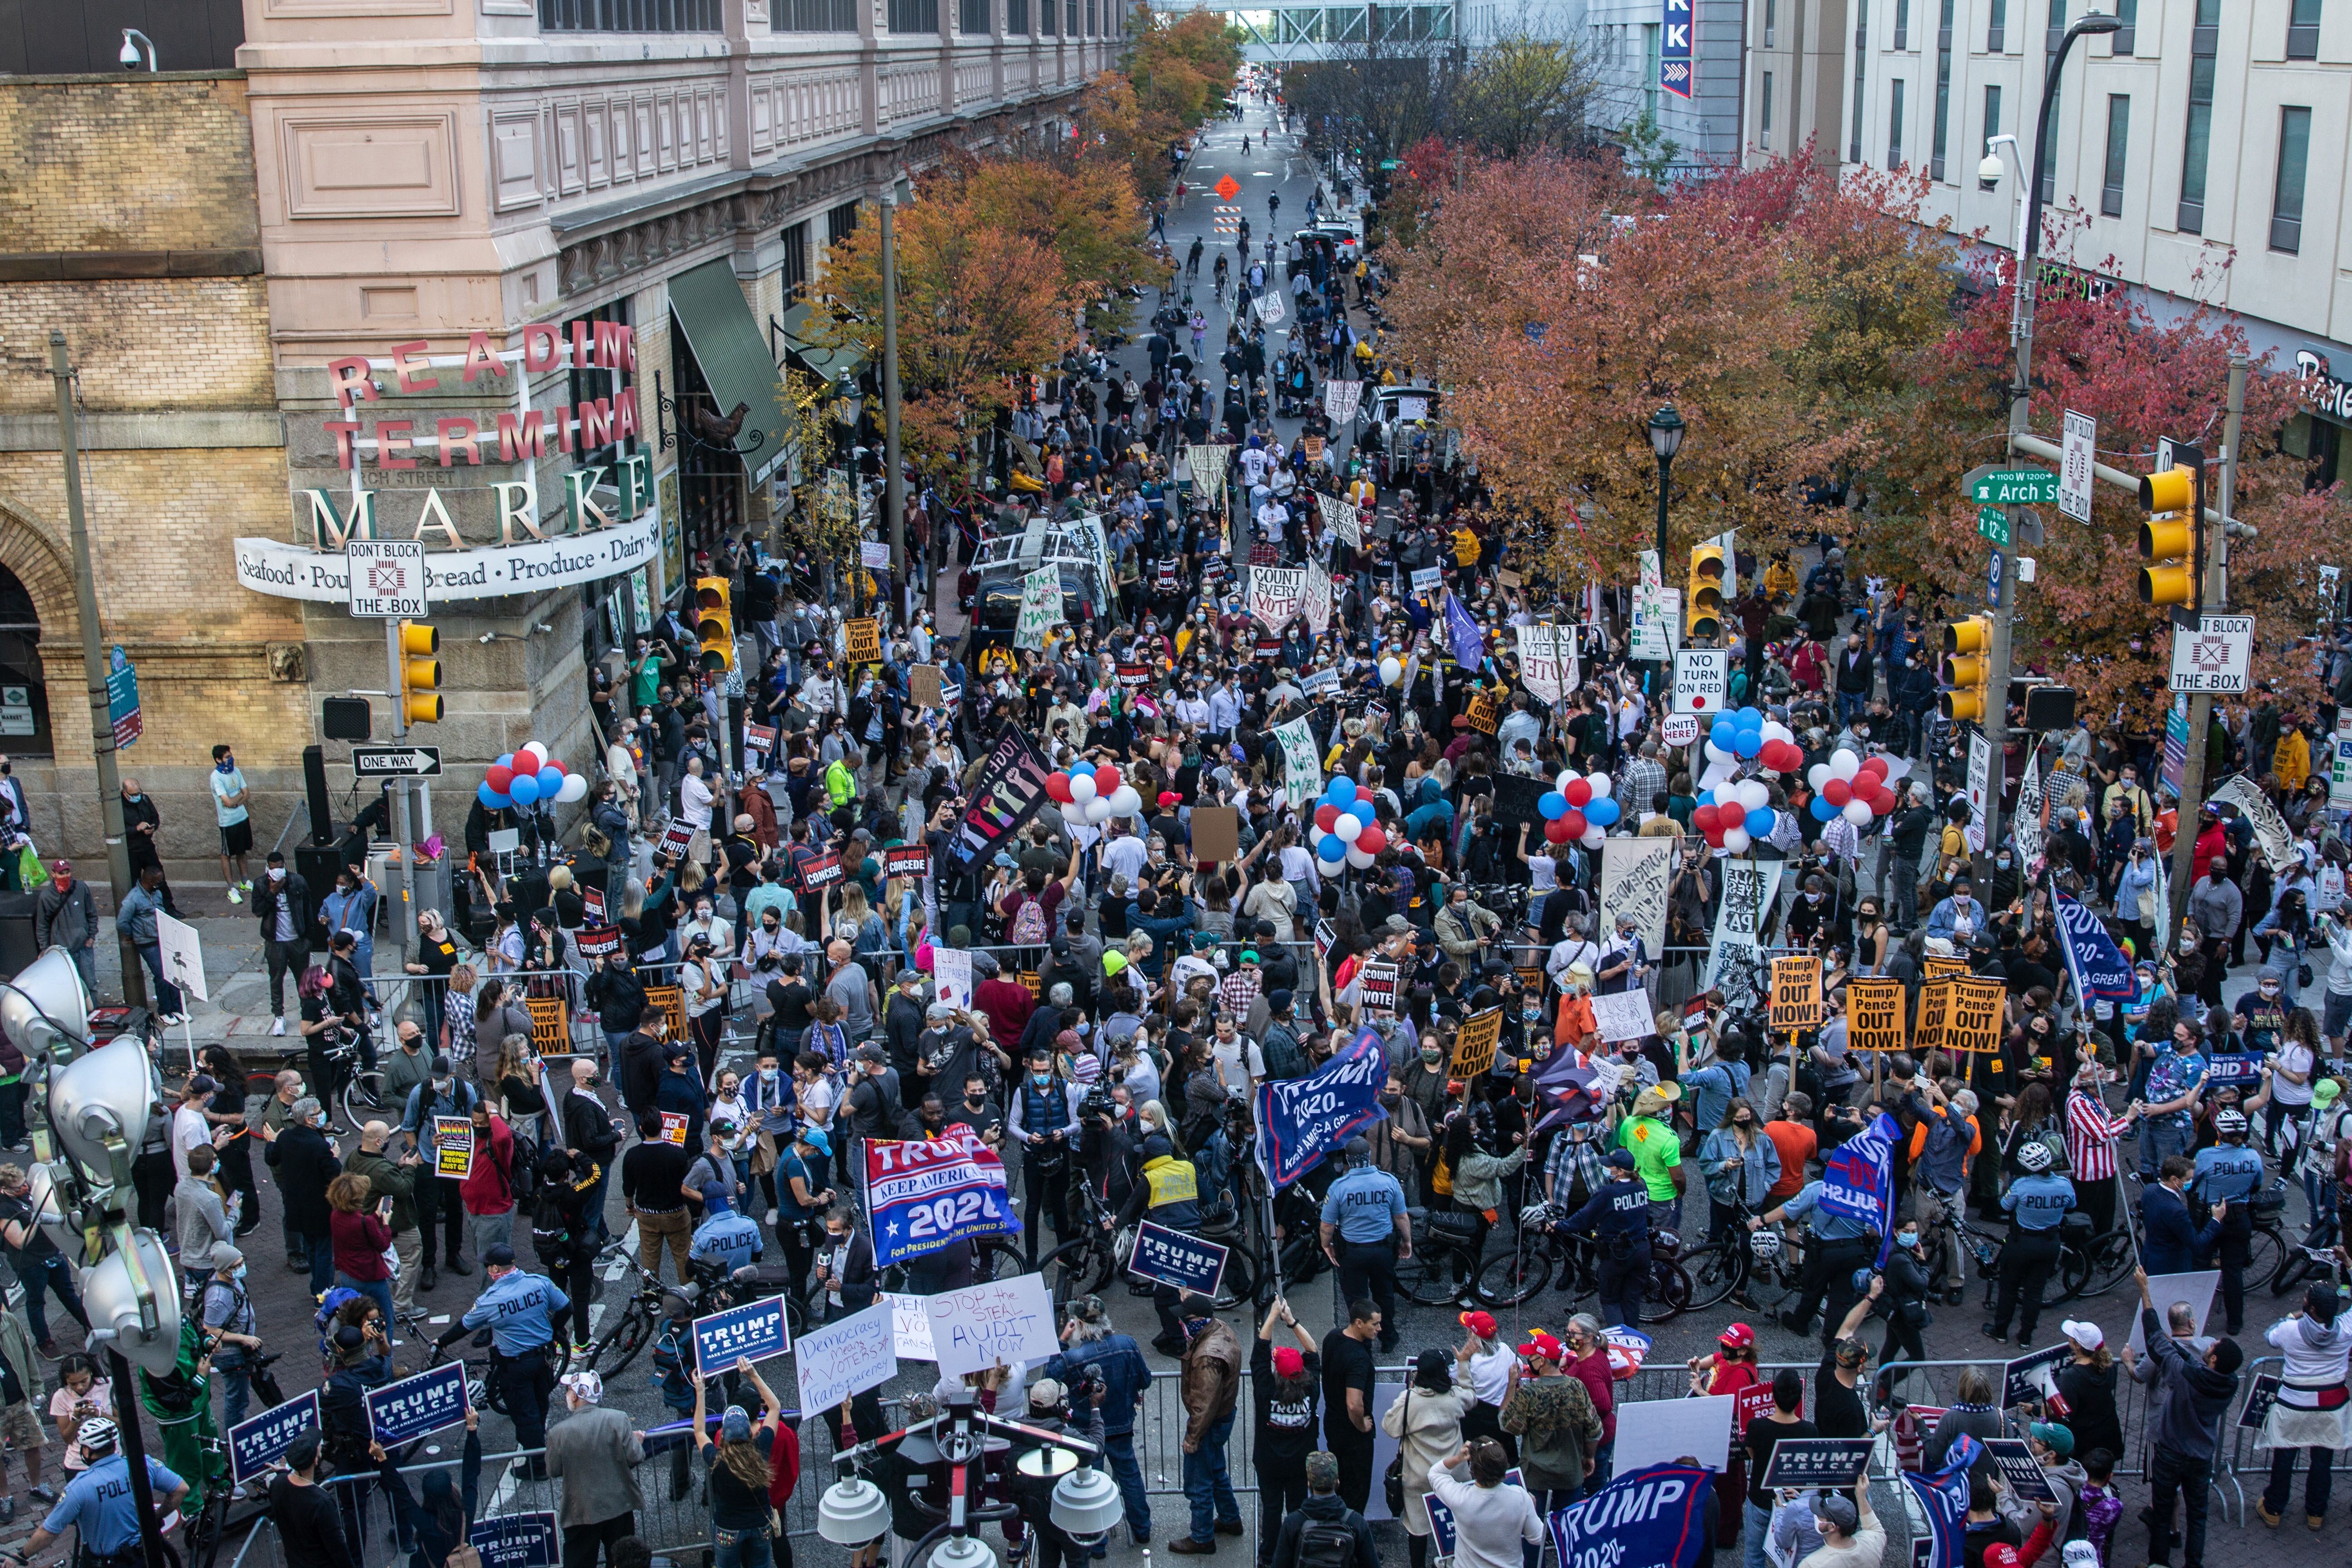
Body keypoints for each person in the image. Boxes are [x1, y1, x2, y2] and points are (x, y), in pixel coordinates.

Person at [2122, 1267, 2241, 1568]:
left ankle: (2159, 1563)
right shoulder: (2229, 1383)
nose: (2208, 1344)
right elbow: (2189, 1358)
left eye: (2212, 1347)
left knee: (2162, 1512)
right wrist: (2177, 1345)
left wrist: (2145, 1292)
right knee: (2197, 1515)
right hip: (2201, 1456)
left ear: (2212, 1359)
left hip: (2171, 1451)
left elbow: (2155, 1342)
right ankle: (2193, 1564)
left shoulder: (2185, 1376)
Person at [445, 1242, 570, 1476]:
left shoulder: (491, 1299)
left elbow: (464, 1327)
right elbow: (566, 1308)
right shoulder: (538, 1283)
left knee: (525, 1415)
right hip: (544, 1358)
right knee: (540, 1403)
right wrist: (552, 1330)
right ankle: (536, 1443)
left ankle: (538, 1466)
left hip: (515, 1365)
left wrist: (440, 1342)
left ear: (494, 1270)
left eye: (488, 1267)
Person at [1042, 1294, 1152, 1548]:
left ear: (1080, 1325)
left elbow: (1049, 1380)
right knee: (1130, 1476)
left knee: (1091, 1484)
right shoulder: (1128, 1344)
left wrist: (1061, 1342)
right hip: (1122, 1425)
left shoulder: (1073, 1358)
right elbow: (1145, 1380)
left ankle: (1096, 1543)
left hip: (1087, 1431)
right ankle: (1143, 1531)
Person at [15, 1416, 187, 1567]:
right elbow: (181, 1489)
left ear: (86, 1451)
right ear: (114, 1444)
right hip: (148, 1554)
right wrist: (156, 1516)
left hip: (108, 1561)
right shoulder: (144, 1464)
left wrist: (21, 1556)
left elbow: (48, 1533)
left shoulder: (79, 1488)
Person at [2256, 1282, 2352, 1531]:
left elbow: (2270, 1337)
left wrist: (2291, 1315)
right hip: (2332, 1406)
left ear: (2309, 1307)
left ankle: (2274, 1509)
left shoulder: (2291, 1329)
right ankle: (2316, 1514)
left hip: (2294, 1404)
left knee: (2285, 1455)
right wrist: (2349, 1263)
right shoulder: (2346, 1329)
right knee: (2323, 1460)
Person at [689, 1358, 787, 1568]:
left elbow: (698, 1430)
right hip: (761, 1526)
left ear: (723, 1436)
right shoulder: (761, 1448)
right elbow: (775, 1407)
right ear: (752, 1432)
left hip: (728, 1530)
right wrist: (753, 1375)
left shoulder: (717, 1459)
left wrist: (700, 1392)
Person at [544, 1370, 646, 1568]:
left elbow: (553, 1470)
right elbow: (636, 1457)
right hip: (619, 1506)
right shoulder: (619, 1419)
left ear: (575, 1396)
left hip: (580, 1512)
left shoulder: (558, 1433)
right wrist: (638, 1443)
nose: (567, 1395)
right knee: (623, 1562)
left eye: (568, 1391)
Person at [1318, 1135, 1411, 1350]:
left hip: (1352, 1254)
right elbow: (1401, 1217)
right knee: (1385, 1293)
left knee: (1357, 1300)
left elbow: (1327, 1225)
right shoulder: (1389, 1182)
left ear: (1349, 1159)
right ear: (1369, 1157)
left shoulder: (1339, 1187)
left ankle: (1362, 1344)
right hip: (1383, 1251)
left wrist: (1326, 1245)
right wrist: (1407, 1241)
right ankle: (1388, 1337)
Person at [1249, 1299, 1321, 1568]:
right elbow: (1313, 1351)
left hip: (1268, 1462)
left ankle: (1268, 1558)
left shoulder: (1266, 1389)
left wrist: (1272, 1316)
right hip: (1301, 1463)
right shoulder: (1311, 1387)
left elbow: (1260, 1349)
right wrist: (1291, 1321)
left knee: (1271, 1509)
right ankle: (1296, 1553)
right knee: (1298, 1509)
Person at [1169, 1291, 1242, 1554]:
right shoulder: (1219, 1329)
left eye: (1186, 1319)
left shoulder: (1207, 1357)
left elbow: (1204, 1405)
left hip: (1209, 1423)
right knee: (1216, 1471)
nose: (1182, 1324)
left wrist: (1192, 1438)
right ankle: (1231, 1519)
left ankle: (1201, 1538)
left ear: (1199, 1319)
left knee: (1199, 1482)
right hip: (1222, 1417)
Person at [1985, 1137, 2076, 1346]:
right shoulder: (2064, 1185)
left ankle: (2000, 1331)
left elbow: (2005, 1207)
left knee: (2008, 1288)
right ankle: (2026, 1337)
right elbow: (2071, 1205)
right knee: (2035, 1293)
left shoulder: (2021, 1186)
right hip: (2050, 1243)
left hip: (2021, 1243)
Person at [1499, 1331, 1602, 1514]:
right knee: (1568, 1531)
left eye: (1531, 1356)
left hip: (1536, 1476)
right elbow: (1594, 1430)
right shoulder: (1577, 1387)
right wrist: (1589, 1457)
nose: (1528, 1359)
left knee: (1534, 1531)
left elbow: (1507, 1425)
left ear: (1542, 1361)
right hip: (1570, 1473)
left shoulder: (1528, 1395)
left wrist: (1511, 1385)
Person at [1383, 1349, 1468, 1568]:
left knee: (1418, 1528)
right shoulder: (1454, 1396)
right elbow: (1472, 1396)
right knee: (1455, 1523)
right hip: (1454, 1474)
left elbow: (1390, 1427)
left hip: (1419, 1478)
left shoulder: (1411, 1400)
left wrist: (1407, 1395)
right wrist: (1464, 1364)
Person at [0, 1163, 87, 1356]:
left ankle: (88, 1323)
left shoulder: (27, 1193)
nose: (25, 1189)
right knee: (36, 1301)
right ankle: (44, 1342)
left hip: (52, 1253)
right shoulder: (5, 1210)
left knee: (68, 1293)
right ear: (5, 1190)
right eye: (19, 1188)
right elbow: (20, 1242)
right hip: (31, 1263)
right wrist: (36, 1220)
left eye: (25, 1185)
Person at [2192, 1106, 2263, 1334]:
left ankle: (2194, 1317)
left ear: (2219, 1133)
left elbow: (2192, 1184)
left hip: (2211, 1216)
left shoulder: (2205, 1156)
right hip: (2239, 1217)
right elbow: (2257, 1185)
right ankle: (2235, 1323)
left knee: (2200, 1267)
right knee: (2233, 1272)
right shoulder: (2253, 1157)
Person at [1565, 1148, 1652, 1329]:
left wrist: (1558, 1226)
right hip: (1642, 1251)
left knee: (1611, 1301)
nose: (1605, 1168)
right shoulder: (1641, 1185)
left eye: (1609, 1166)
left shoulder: (1608, 1193)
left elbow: (1583, 1219)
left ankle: (1619, 1345)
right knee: (1631, 1301)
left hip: (1617, 1256)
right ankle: (1632, 1346)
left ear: (1620, 1171)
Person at [1427, 1439, 1544, 1568]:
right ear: (1504, 1467)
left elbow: (1435, 1473)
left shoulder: (1459, 1497)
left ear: (1473, 1469)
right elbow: (1537, 1538)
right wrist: (1531, 1508)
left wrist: (1458, 1458)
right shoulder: (1520, 1497)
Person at [1742, 1370, 1816, 1568]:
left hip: (1760, 1499)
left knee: (1754, 1555)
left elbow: (1752, 1454)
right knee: (1792, 1557)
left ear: (1773, 1395)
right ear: (1800, 1398)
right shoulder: (1810, 1431)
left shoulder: (1756, 1426)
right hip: (1793, 1501)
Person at [268, 1096, 340, 1294]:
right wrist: (334, 1156)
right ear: (309, 1119)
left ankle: (316, 1286)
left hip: (296, 1206)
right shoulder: (319, 1146)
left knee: (310, 1247)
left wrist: (271, 1142)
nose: (321, 1115)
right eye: (318, 1113)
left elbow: (272, 1158)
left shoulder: (285, 1138)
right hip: (319, 1207)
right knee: (325, 1251)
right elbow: (334, 1173)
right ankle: (323, 1291)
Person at [1316, 1298, 1380, 1515]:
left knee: (1340, 1484)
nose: (1379, 1329)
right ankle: (1353, 1542)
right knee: (1356, 1492)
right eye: (1375, 1324)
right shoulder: (1358, 1359)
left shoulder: (1333, 1337)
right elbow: (1354, 1403)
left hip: (1333, 1424)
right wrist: (1362, 1425)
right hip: (1353, 1436)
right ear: (1359, 1323)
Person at [267, 1433, 358, 1568]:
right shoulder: (322, 1502)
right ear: (315, 1461)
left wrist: (282, 1474)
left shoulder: (278, 1483)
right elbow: (338, 1547)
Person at [197, 1246, 261, 1431]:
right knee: (237, 1400)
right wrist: (243, 1338)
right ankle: (234, 1443)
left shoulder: (231, 1279)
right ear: (225, 1269)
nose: (242, 1267)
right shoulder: (218, 1298)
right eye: (237, 1265)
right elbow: (210, 1329)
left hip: (240, 1349)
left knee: (240, 1396)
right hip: (231, 1355)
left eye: (242, 1262)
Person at [1798, 1479, 1883, 1568]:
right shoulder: (1873, 1541)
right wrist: (1861, 1495)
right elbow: (1874, 1527)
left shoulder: (1811, 1564)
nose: (1816, 1516)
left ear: (1831, 1527)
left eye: (1820, 1516)